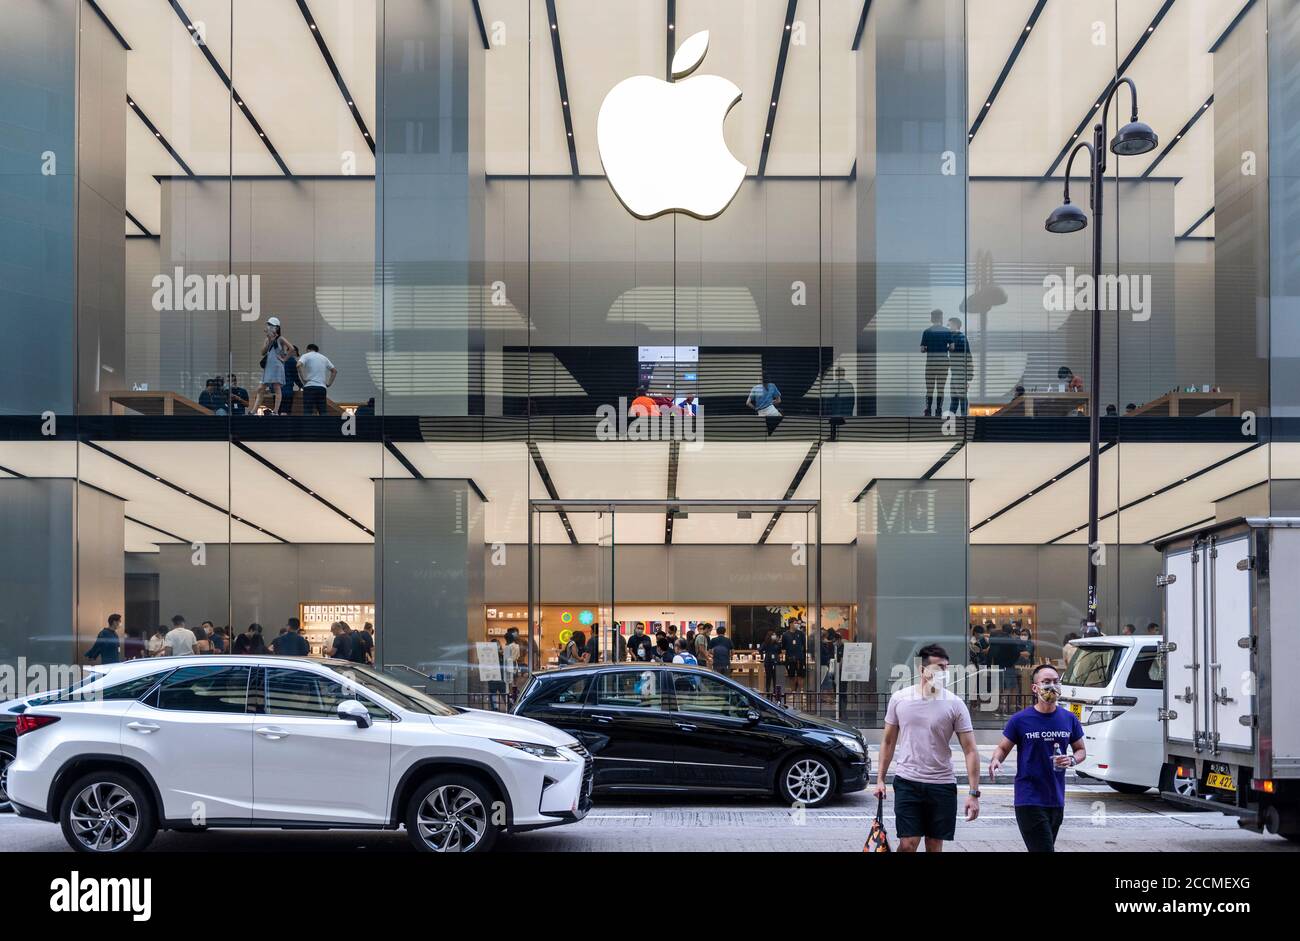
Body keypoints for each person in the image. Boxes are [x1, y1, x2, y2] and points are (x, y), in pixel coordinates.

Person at [874, 644, 981, 852]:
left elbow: (970, 749)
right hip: (907, 782)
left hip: (942, 785)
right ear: (922, 670)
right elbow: (888, 741)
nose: (944, 672)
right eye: (939, 667)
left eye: (946, 667)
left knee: (934, 846)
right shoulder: (900, 699)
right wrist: (880, 779)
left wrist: (973, 793)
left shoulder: (955, 704)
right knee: (907, 844)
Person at [988, 663, 1086, 852]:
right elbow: (1002, 747)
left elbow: (1081, 750)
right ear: (1035, 688)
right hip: (1029, 797)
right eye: (1046, 682)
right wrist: (995, 760)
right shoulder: (1020, 719)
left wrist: (1072, 760)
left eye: (1056, 682)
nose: (1052, 686)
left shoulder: (1069, 718)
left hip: (1056, 798)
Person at [253, 316, 290, 414]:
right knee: (261, 388)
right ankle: (254, 410)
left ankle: (275, 410)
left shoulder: (280, 339)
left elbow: (291, 349)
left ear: (276, 327)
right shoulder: (267, 339)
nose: (268, 327)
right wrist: (269, 341)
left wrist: (284, 359)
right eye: (268, 325)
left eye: (270, 325)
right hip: (269, 366)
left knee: (277, 387)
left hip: (277, 366)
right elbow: (262, 352)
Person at [920, 309, 951, 416]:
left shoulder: (927, 332)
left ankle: (928, 410)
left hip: (931, 363)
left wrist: (930, 348)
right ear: (941, 318)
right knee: (941, 388)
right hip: (943, 363)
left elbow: (922, 349)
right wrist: (944, 348)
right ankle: (939, 410)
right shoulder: (947, 331)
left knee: (929, 388)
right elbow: (952, 347)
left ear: (932, 318)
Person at [297, 343, 337, 416]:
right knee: (323, 411)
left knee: (307, 412)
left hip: (309, 387)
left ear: (308, 349)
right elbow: (334, 371)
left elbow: (298, 365)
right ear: (317, 350)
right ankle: (324, 427)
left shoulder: (306, 355)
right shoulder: (324, 358)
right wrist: (329, 383)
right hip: (321, 388)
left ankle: (308, 427)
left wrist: (303, 379)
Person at [947, 317, 973, 416]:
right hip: (955, 373)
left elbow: (968, 356)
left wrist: (968, 375)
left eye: (949, 325)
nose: (948, 327)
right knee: (954, 399)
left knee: (961, 398)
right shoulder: (954, 337)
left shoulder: (960, 338)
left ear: (955, 325)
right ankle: (951, 421)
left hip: (959, 373)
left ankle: (963, 419)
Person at [747, 369, 782, 435]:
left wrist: (756, 408)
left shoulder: (755, 388)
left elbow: (748, 403)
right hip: (772, 412)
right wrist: (770, 402)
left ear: (759, 379)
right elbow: (779, 400)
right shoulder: (772, 386)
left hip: (761, 415)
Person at [827, 365, 855, 440]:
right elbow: (852, 401)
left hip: (835, 413)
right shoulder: (849, 385)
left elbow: (827, 400)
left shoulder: (831, 385)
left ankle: (833, 436)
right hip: (844, 413)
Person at [780, 621, 807, 695]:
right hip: (789, 658)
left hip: (800, 657)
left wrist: (804, 656)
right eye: (795, 623)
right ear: (791, 624)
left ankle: (801, 691)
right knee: (791, 676)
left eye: (797, 623)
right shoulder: (785, 634)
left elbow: (804, 646)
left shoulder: (801, 634)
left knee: (800, 675)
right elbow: (783, 647)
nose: (796, 624)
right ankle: (793, 692)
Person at [279, 344, 303, 415]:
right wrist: (302, 386)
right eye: (296, 354)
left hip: (277, 390)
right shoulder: (292, 360)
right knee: (286, 412)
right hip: (287, 390)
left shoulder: (279, 358)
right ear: (293, 351)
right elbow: (295, 376)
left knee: (278, 412)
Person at [760, 630, 782, 698]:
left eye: (775, 635)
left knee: (776, 679)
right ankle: (768, 693)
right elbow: (760, 650)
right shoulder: (766, 643)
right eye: (773, 635)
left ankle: (776, 694)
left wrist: (779, 642)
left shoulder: (777, 643)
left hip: (776, 662)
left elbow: (779, 651)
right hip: (768, 662)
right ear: (770, 636)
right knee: (768, 678)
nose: (774, 636)